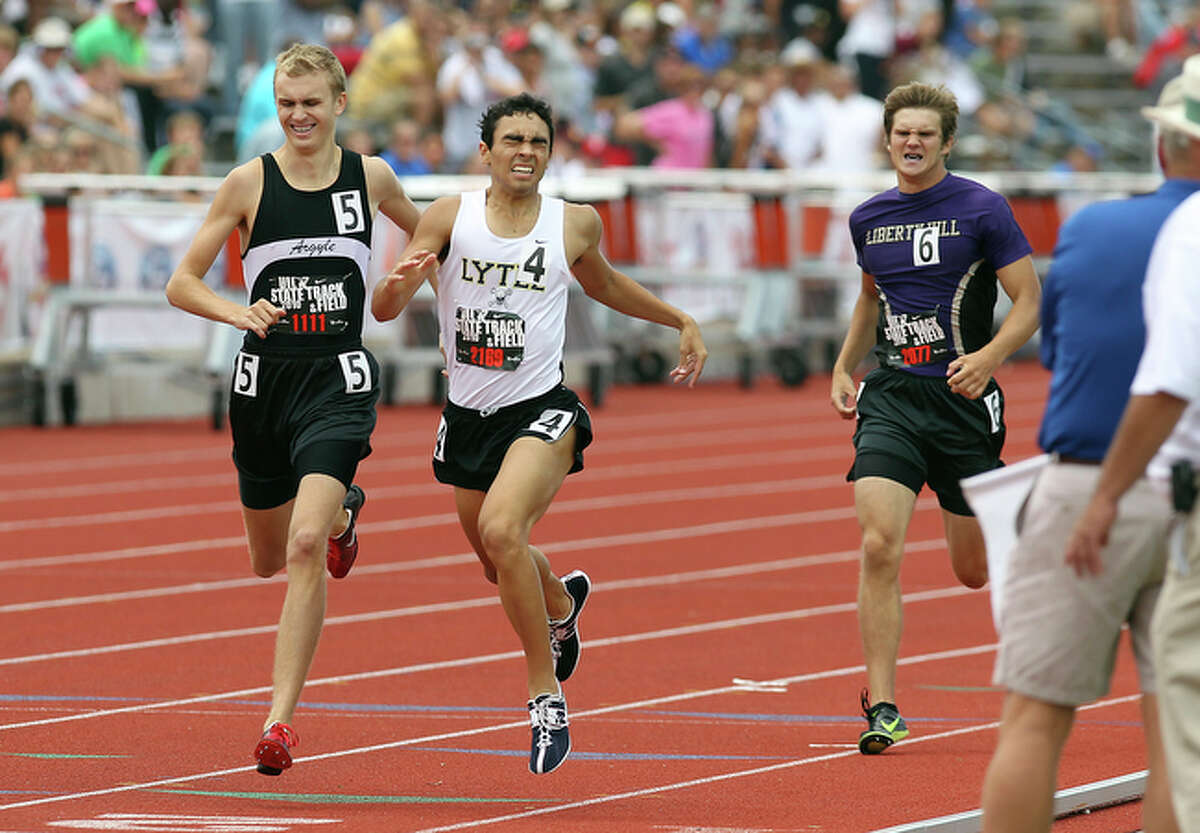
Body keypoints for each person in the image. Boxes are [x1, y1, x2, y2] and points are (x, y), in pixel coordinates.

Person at [372, 92, 707, 774]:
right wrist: (399, 284)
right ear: (486, 152)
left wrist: (679, 320)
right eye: (513, 140)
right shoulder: (449, 215)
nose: (526, 151)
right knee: (500, 563)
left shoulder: (573, 223)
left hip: (542, 409)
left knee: (503, 531)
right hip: (468, 416)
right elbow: (384, 304)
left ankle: (543, 694)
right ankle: (560, 599)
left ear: (551, 153)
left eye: (539, 142)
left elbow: (607, 285)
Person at [164, 42, 422, 776]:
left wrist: (431, 271)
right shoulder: (248, 183)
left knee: (304, 548)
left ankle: (279, 721)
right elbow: (182, 283)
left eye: (312, 101)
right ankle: (345, 513)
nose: (299, 115)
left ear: (340, 103)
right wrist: (234, 311)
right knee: (267, 558)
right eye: (287, 103)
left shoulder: (370, 177)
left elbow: (429, 231)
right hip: (262, 386)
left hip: (337, 381)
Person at [979, 71, 1200, 833]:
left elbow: (1064, 351)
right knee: (1182, 731)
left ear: (1165, 141)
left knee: (1034, 715)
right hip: (1194, 498)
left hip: (1095, 483)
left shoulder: (1099, 228)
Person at [828, 80, 1041, 755]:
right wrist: (844, 366)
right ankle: (883, 703)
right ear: (887, 140)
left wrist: (988, 357)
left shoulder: (982, 208)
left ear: (947, 141)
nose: (912, 143)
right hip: (892, 396)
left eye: (925, 133)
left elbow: (1030, 301)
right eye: (902, 133)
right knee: (878, 542)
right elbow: (870, 300)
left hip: (964, 403)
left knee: (972, 569)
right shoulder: (869, 218)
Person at [1065, 53, 1200, 833]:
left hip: (1185, 494)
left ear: (1166, 145)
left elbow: (1168, 381)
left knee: (1184, 720)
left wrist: (1106, 493)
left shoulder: (1182, 228)